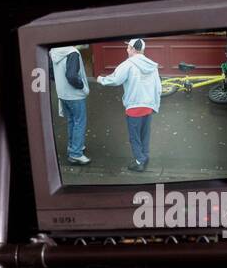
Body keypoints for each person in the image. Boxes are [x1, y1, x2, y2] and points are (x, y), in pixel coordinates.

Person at [96, 38, 162, 173]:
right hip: (148, 106)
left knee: (134, 137)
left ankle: (139, 161)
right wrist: (156, 104)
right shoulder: (152, 66)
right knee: (145, 134)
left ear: (133, 49)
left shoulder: (128, 64)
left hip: (134, 106)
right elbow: (158, 87)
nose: (126, 50)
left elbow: (115, 79)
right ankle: (145, 156)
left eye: (128, 48)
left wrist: (101, 79)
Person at [50, 44, 90, 165]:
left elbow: (51, 73)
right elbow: (72, 76)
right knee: (79, 122)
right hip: (74, 95)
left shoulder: (54, 52)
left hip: (62, 93)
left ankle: (72, 147)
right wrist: (81, 85)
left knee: (72, 121)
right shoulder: (73, 53)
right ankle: (76, 153)